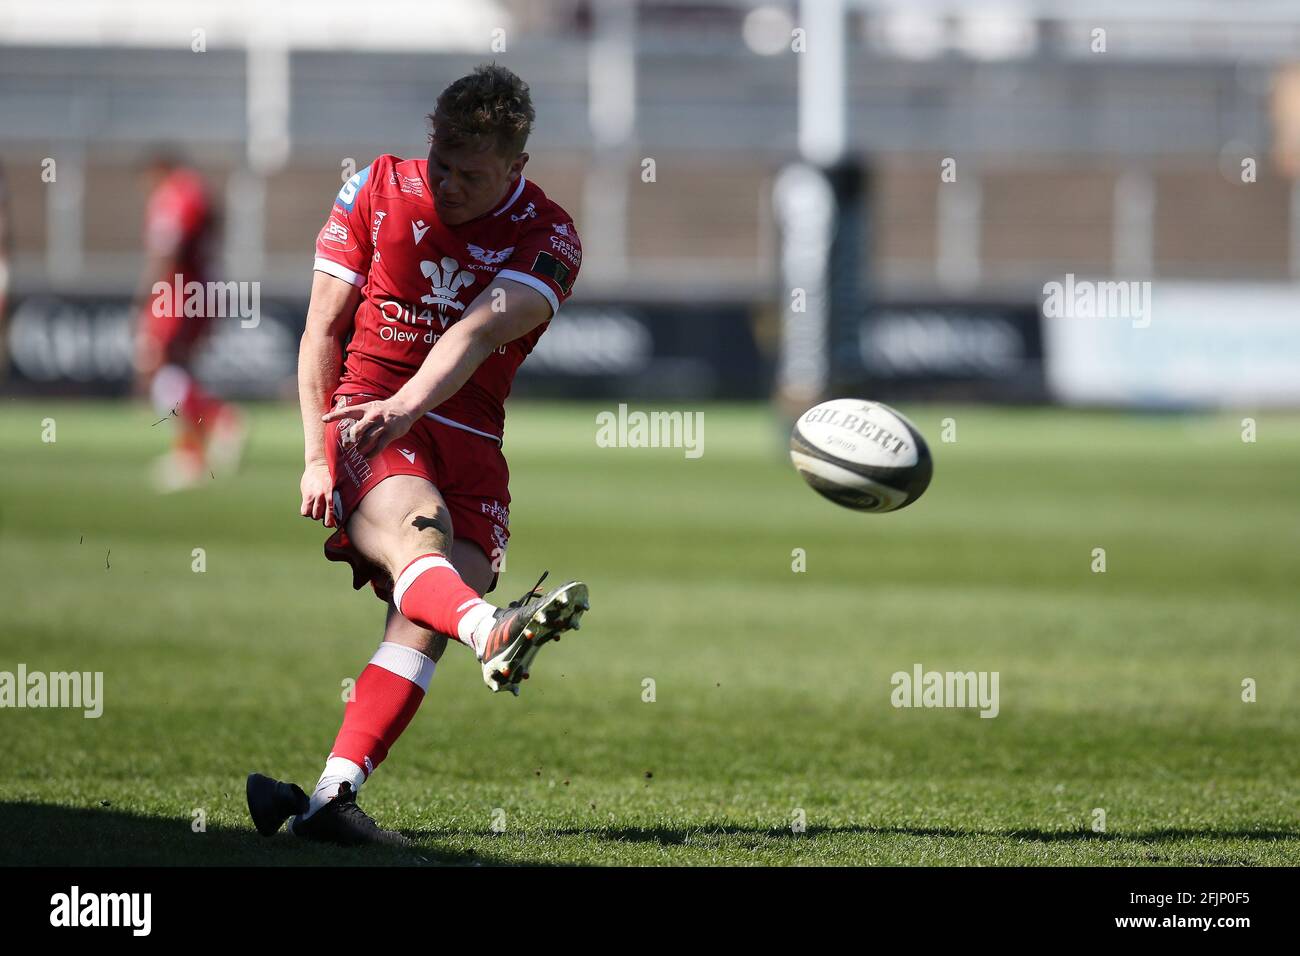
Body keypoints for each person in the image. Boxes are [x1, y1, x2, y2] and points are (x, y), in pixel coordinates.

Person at [247, 64, 591, 847]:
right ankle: (495, 633)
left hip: (468, 438)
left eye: (472, 174)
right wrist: (314, 454)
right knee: (419, 538)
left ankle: (331, 800)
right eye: (441, 162)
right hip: (366, 416)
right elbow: (322, 331)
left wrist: (412, 406)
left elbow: (475, 332)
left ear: (516, 167)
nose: (449, 183)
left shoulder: (551, 235)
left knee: (422, 617)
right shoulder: (374, 187)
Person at [133, 151, 245, 490]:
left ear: (159, 169)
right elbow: (215, 225)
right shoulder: (199, 191)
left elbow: (168, 250)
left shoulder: (174, 194)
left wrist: (147, 295)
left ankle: (219, 420)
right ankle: (190, 453)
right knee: (178, 369)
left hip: (178, 293)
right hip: (203, 289)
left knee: (156, 364)